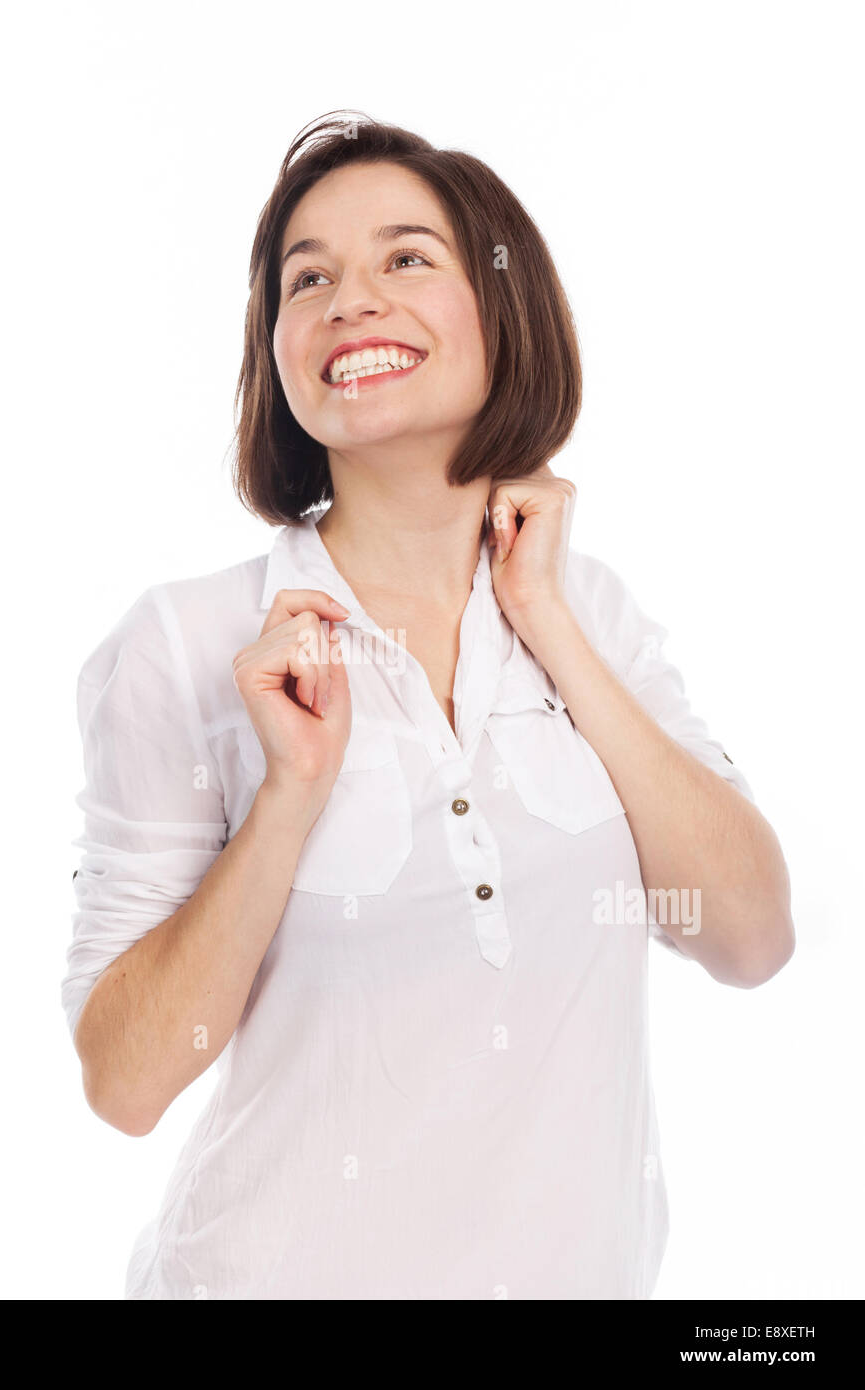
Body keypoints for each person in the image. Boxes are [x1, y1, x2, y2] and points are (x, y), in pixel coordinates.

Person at [60, 112, 795, 1300]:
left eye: (407, 257)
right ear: (279, 345)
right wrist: (288, 801)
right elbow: (128, 1082)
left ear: (503, 312)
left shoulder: (589, 611)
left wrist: (545, 621)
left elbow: (752, 936)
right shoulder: (187, 644)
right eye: (309, 279)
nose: (352, 300)